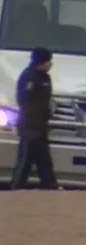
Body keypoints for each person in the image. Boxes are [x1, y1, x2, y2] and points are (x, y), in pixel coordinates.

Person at [11, 47, 59, 190]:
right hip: (29, 127)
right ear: (41, 62)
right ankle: (16, 189)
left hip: (41, 127)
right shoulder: (28, 77)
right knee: (25, 161)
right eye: (48, 61)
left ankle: (50, 188)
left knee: (44, 161)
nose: (51, 64)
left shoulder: (45, 78)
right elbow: (25, 102)